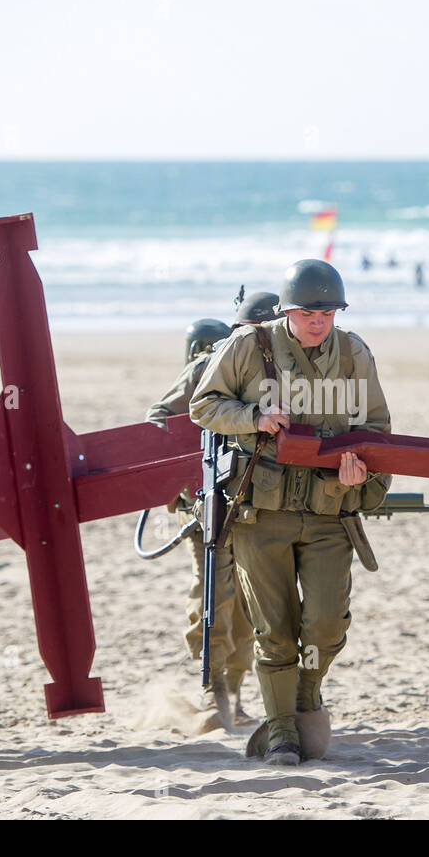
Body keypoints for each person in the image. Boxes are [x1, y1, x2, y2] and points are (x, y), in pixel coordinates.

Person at [189, 260, 390, 765]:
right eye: (307, 311)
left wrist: (362, 474)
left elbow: (379, 430)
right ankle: (281, 731)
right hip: (262, 514)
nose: (318, 320)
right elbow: (203, 405)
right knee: (274, 630)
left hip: (328, 513)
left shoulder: (353, 353)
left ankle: (305, 699)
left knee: (325, 624)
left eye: (328, 311)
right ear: (287, 310)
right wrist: (254, 418)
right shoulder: (247, 347)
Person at [144, 290, 281, 730]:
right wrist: (185, 476)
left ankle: (234, 695)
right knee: (212, 601)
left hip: (259, 509)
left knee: (246, 606)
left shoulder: (287, 372)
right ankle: (213, 691)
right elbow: (159, 420)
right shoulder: (207, 366)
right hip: (211, 509)